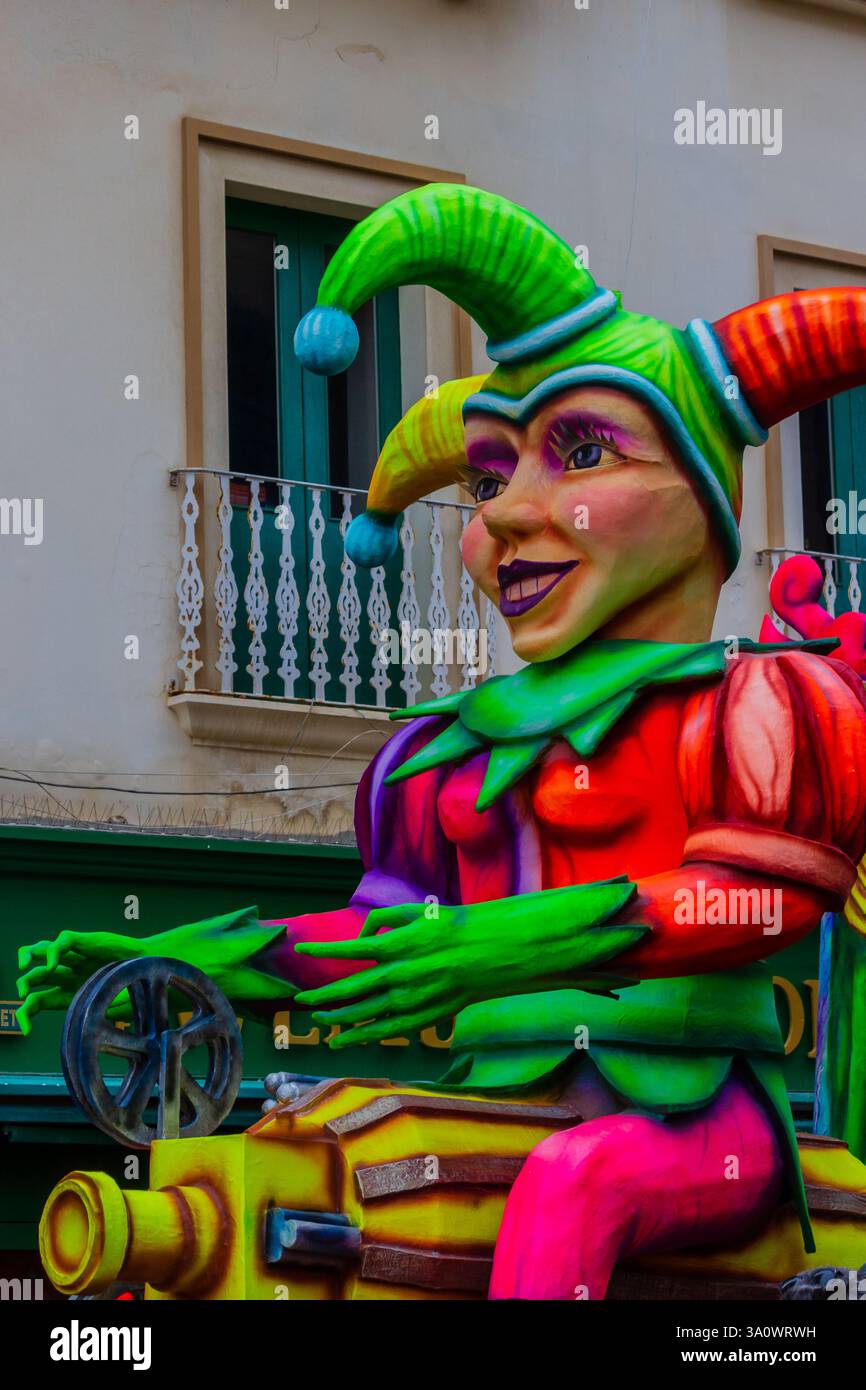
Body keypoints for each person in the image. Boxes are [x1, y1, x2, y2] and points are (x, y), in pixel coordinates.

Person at [18, 185, 866, 1299]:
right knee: (298, 1186)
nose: (504, 514)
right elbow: (379, 939)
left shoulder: (761, 700)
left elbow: (756, 905)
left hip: (700, 1121)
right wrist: (173, 961)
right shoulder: (436, 753)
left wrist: (497, 943)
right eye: (488, 477)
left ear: (698, 497)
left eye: (581, 452)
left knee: (572, 1186)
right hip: (487, 1099)